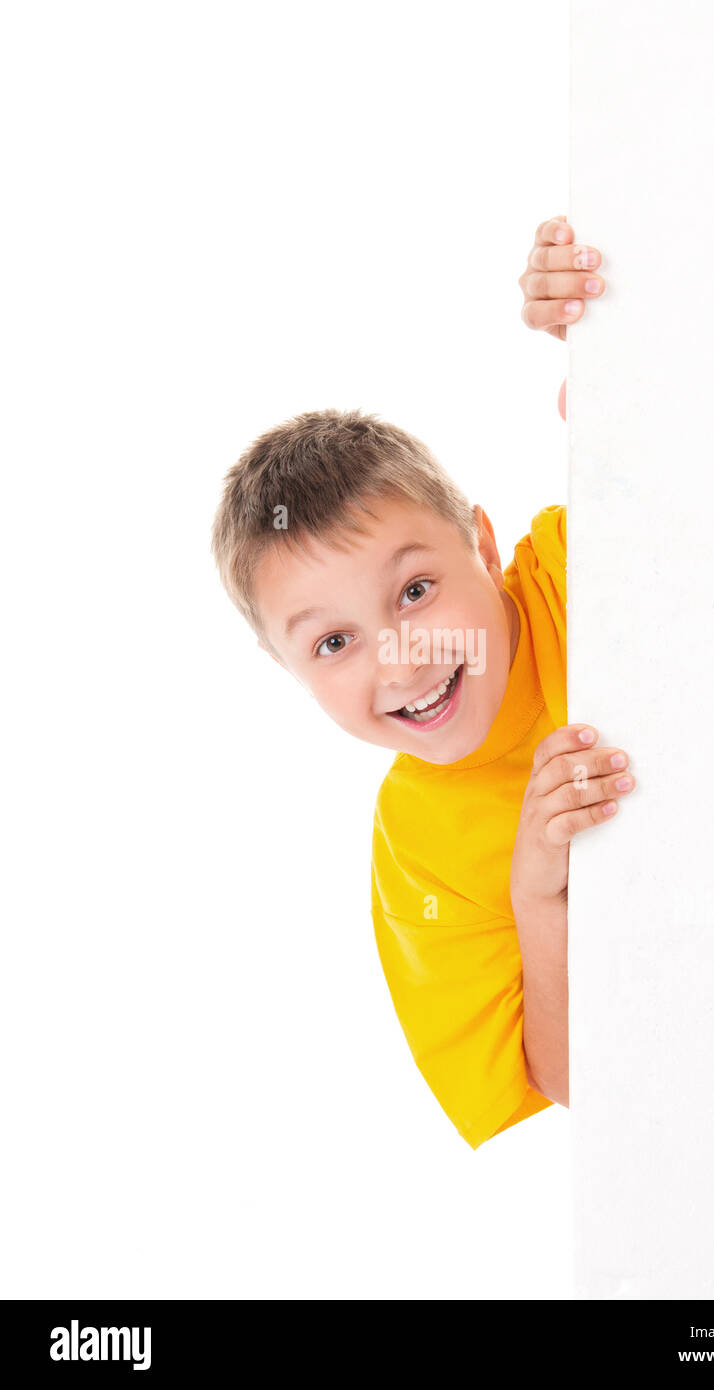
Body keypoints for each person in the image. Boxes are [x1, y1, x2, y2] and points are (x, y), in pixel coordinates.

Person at [210, 215, 636, 1148]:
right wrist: (539, 893)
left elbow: (677, 449)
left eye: (413, 589)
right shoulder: (419, 852)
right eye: (331, 644)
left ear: (482, 544)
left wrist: (604, 333)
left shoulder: (577, 568)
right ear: (287, 672)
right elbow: (573, 1080)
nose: (398, 659)